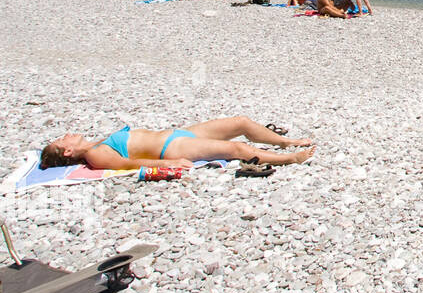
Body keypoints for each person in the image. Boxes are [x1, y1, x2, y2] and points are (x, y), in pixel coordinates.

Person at [40, 116, 316, 171]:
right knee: (236, 150)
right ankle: (291, 158)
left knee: (240, 122)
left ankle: (285, 142)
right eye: (62, 139)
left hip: (179, 133)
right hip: (171, 148)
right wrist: (168, 163)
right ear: (68, 151)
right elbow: (129, 164)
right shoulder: (95, 155)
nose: (67, 134)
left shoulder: (97, 143)